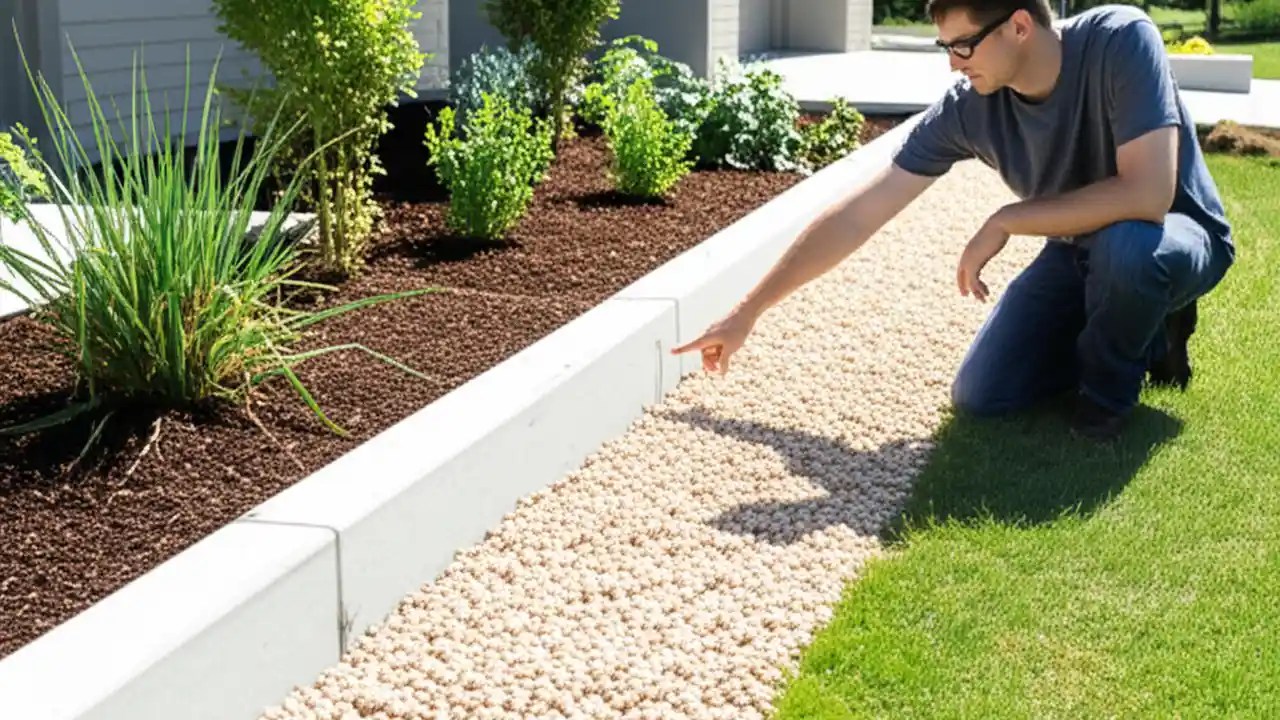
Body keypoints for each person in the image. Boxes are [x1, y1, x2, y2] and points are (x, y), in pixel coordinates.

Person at [671, 0, 1236, 441]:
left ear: (1019, 26)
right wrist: (748, 312)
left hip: (1173, 234)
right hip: (1076, 249)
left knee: (1128, 248)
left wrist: (1007, 218)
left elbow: (1148, 194)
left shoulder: (1120, 39)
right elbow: (862, 212)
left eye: (963, 45)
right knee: (982, 395)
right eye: (945, 47)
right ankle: (1145, 327)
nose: (953, 64)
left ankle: (1106, 401)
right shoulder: (968, 107)